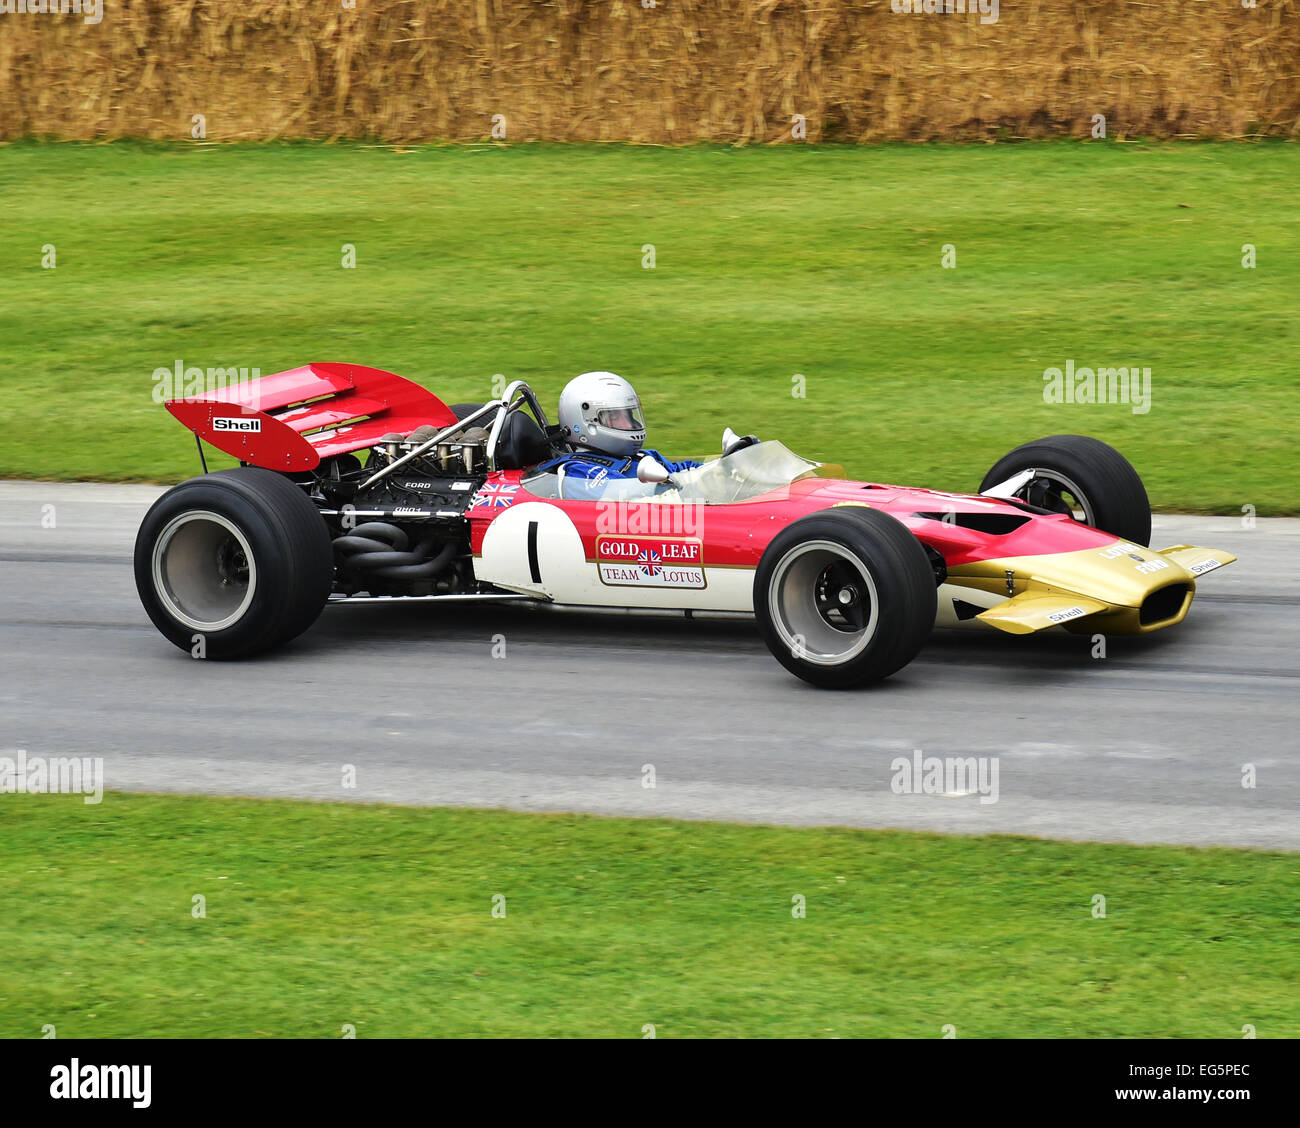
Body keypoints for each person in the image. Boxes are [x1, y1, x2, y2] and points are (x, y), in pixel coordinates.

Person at [535, 371, 702, 489]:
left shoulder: (645, 457)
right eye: (615, 418)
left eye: (629, 415)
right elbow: (620, 498)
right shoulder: (577, 470)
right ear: (587, 423)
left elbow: (685, 471)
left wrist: (719, 468)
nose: (629, 424)